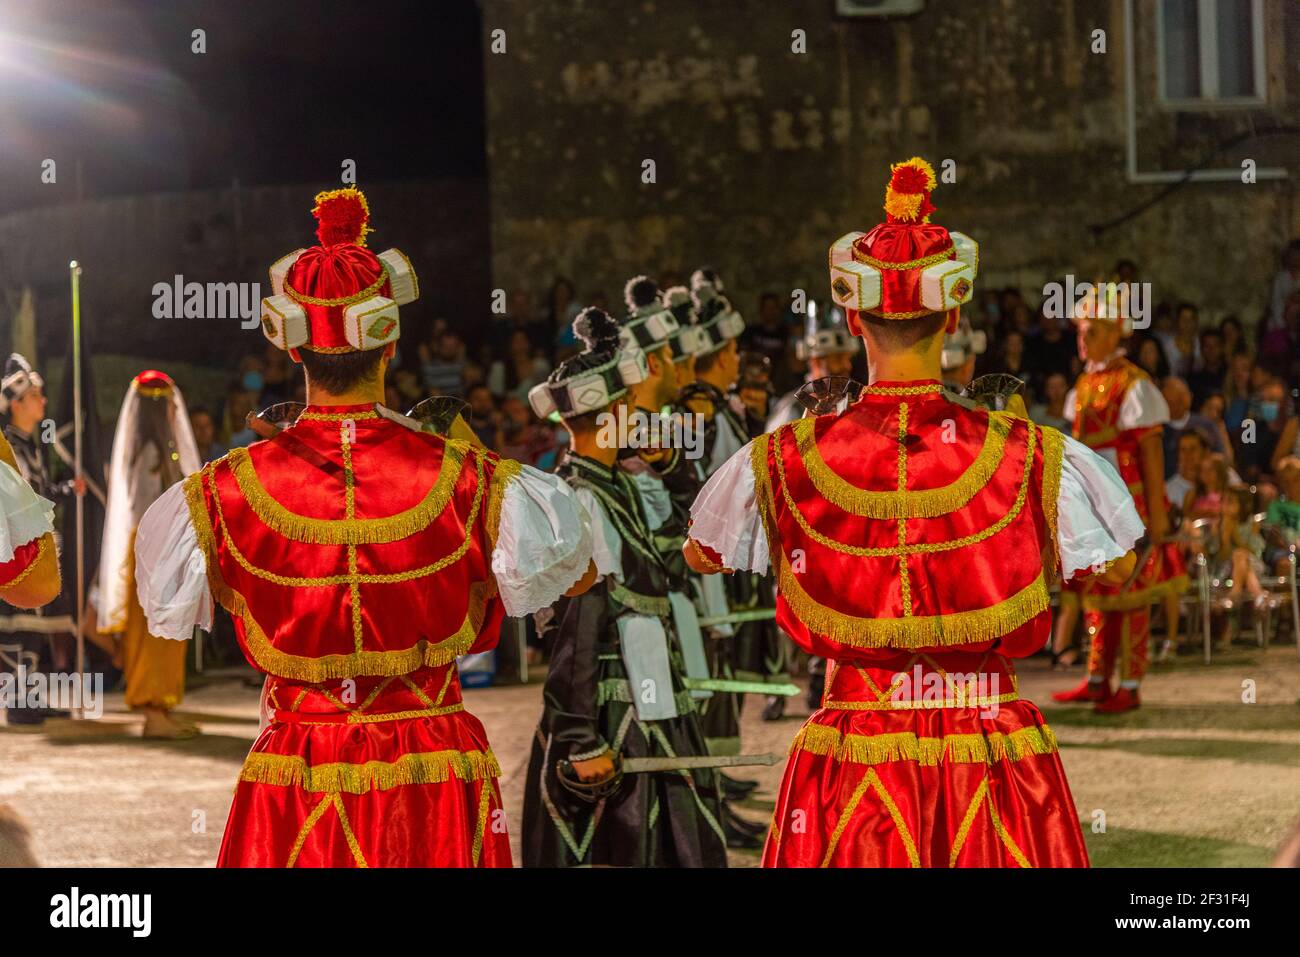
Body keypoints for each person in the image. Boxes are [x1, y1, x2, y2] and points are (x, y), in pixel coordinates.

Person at [685, 157, 1142, 867]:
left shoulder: (781, 458)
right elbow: (1118, 564)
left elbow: (700, 553)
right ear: (955, 314)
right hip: (987, 752)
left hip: (854, 757)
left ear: (851, 315)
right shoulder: (1032, 453)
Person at [134, 187, 594, 866]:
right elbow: (577, 571)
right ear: (391, 340)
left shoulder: (221, 490)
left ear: (295, 348)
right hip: (430, 767)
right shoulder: (472, 477)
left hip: (300, 767)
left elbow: (161, 606)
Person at [521, 307, 726, 867]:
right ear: (616, 411)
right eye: (630, 405)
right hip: (612, 706)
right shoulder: (581, 499)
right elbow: (576, 628)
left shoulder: (618, 486)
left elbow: (686, 547)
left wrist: (673, 467)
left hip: (651, 688)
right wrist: (579, 736)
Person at [1053, 284, 1188, 714]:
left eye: (1091, 330)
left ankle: (1129, 685)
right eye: (1081, 330)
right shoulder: (1083, 383)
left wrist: (1157, 519)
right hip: (1093, 509)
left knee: (1131, 599)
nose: (1083, 337)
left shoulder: (1135, 385)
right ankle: (1096, 679)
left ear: (1116, 332)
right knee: (1098, 596)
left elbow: (1150, 454)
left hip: (1128, 510)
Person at [96, 370, 203, 738]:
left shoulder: (161, 454)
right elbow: (145, 514)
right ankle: (152, 713)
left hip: (163, 551)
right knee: (153, 637)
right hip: (153, 554)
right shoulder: (149, 456)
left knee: (169, 637)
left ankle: (164, 707)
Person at [0, 354, 81, 724]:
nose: (43, 402)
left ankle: (27, 698)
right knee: (16, 627)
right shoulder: (9, 446)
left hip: (30, 545)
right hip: (13, 546)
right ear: (17, 403)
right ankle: (17, 702)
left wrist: (65, 489)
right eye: (36, 396)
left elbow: (39, 490)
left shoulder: (29, 444)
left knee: (31, 628)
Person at [766, 301, 860, 432]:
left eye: (848, 358)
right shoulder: (793, 409)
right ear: (816, 362)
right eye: (838, 358)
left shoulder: (852, 403)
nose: (847, 366)